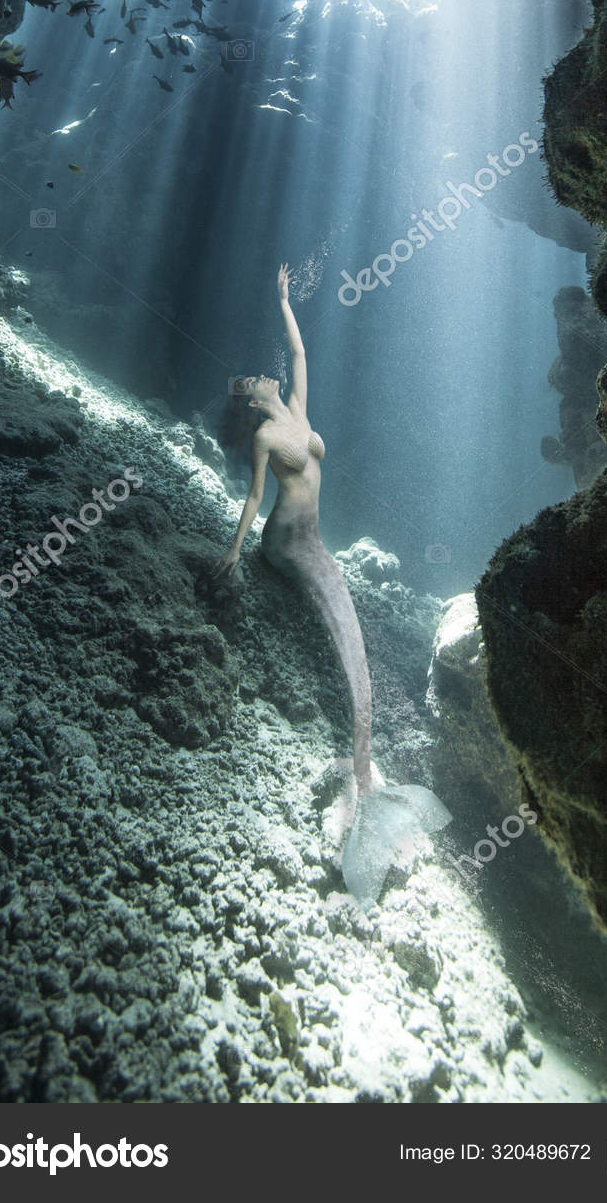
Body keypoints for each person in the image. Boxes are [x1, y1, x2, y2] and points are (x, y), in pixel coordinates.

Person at [214, 264, 449, 903]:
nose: (269, 375)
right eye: (257, 380)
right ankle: (359, 786)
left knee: (357, 652)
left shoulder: (295, 409)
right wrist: (237, 551)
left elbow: (298, 350)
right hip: (285, 546)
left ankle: (367, 777)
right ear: (251, 398)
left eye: (267, 376)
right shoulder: (265, 431)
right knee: (344, 642)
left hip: (316, 543)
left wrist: (285, 298)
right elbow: (255, 494)